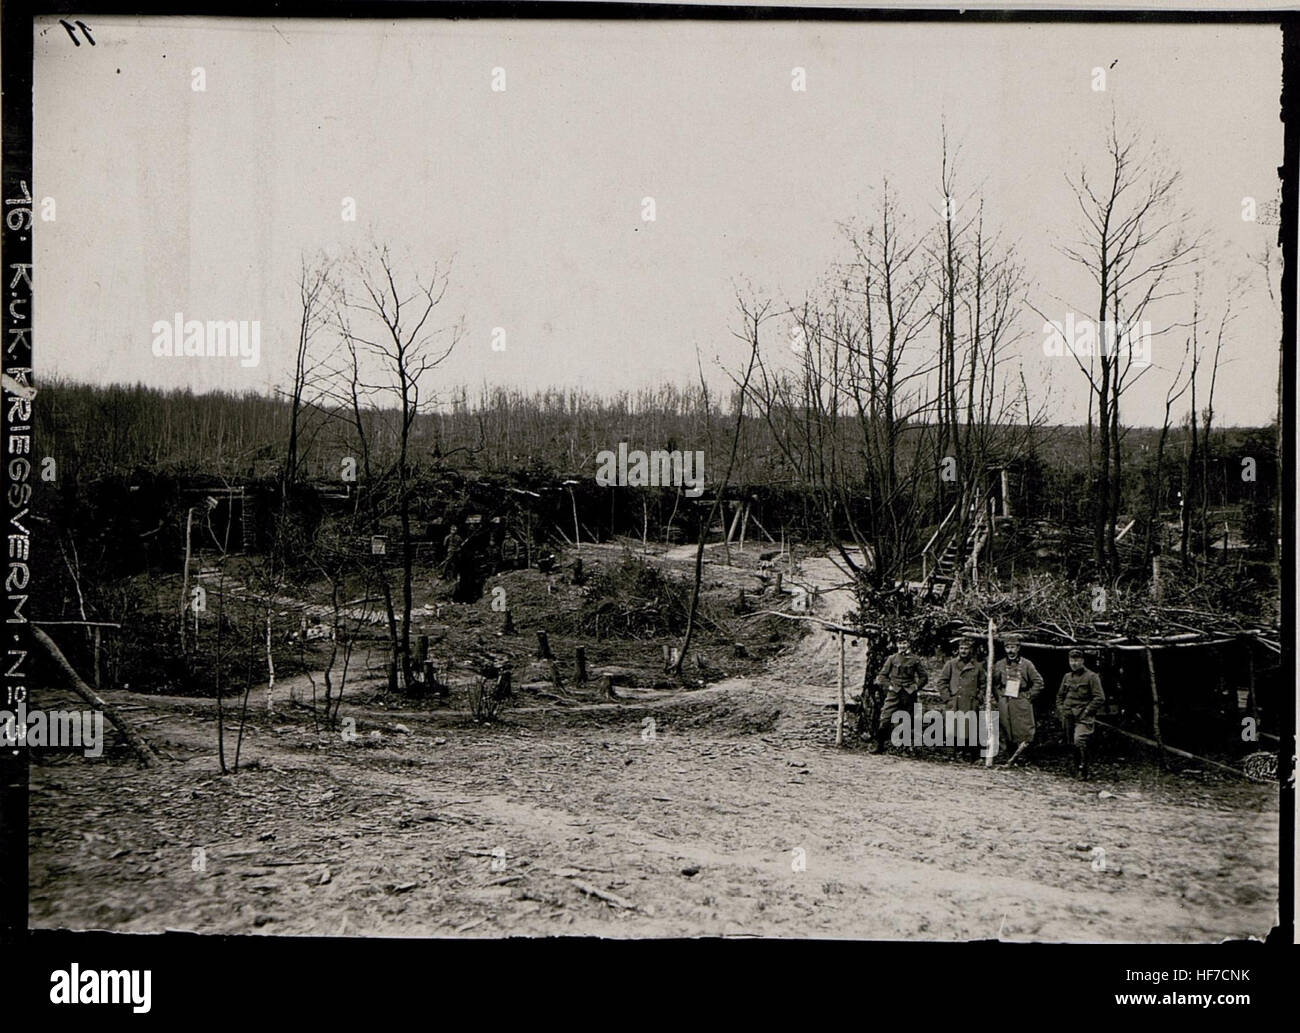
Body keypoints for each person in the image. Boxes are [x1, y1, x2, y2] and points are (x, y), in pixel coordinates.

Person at [992, 633, 1043, 765]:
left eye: (1013, 647)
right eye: (1008, 647)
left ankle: (1025, 758)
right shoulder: (1000, 664)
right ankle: (1009, 757)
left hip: (1021, 699)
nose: (1010, 650)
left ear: (1018, 648)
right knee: (1006, 728)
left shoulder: (1027, 664)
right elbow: (994, 683)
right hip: (1005, 700)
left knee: (1024, 729)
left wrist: (1029, 696)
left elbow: (1038, 682)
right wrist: (1000, 697)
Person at [1056, 648, 1106, 780]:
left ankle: (1083, 768)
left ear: (1082, 661)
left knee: (1079, 740)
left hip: (1083, 716)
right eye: (1072, 660)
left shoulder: (1091, 677)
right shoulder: (1067, 677)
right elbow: (1060, 696)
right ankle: (1077, 766)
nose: (1074, 663)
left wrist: (1087, 711)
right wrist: (1061, 710)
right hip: (1068, 715)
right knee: (1071, 742)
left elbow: (1099, 697)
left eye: (1077, 660)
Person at [873, 634, 927, 753]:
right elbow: (882, 676)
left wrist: (916, 687)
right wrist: (890, 686)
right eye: (900, 643)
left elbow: (924, 677)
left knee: (908, 720)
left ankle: (905, 748)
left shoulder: (915, 659)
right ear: (897, 645)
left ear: (908, 644)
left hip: (909, 693)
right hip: (894, 693)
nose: (902, 646)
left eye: (904, 643)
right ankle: (879, 746)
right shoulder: (892, 659)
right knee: (885, 717)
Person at [937, 637, 984, 760]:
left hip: (970, 702)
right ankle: (950, 754)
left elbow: (983, 684)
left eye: (966, 648)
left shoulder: (977, 666)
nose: (963, 651)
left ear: (971, 650)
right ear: (958, 650)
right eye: (961, 648)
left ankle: (968, 754)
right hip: (955, 702)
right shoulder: (951, 664)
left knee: (970, 728)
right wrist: (947, 698)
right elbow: (942, 682)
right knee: (952, 727)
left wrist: (978, 698)